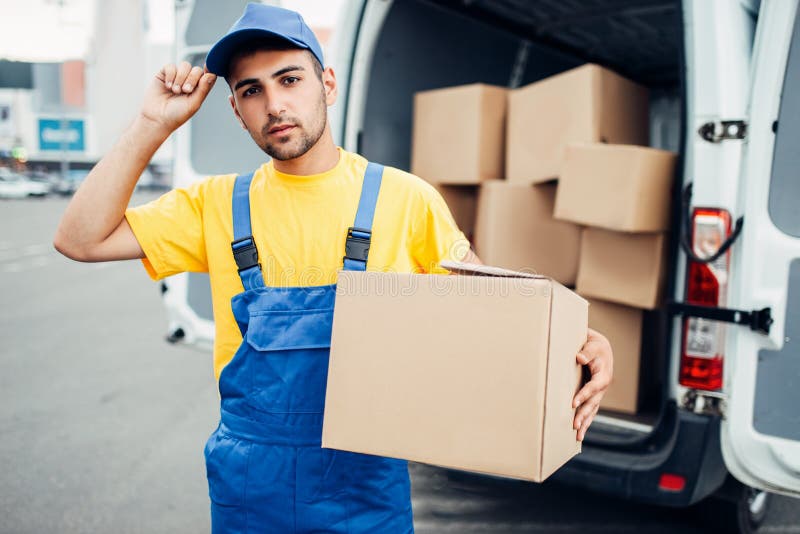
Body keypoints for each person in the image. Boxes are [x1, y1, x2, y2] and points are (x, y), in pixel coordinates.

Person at [54, 3, 613, 533]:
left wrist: (576, 344)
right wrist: (152, 124)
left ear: (327, 83)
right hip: (250, 487)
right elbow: (79, 239)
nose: (273, 104)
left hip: (364, 488)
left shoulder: (404, 199)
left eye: (290, 79)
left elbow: (493, 321)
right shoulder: (215, 206)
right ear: (236, 109)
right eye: (252, 90)